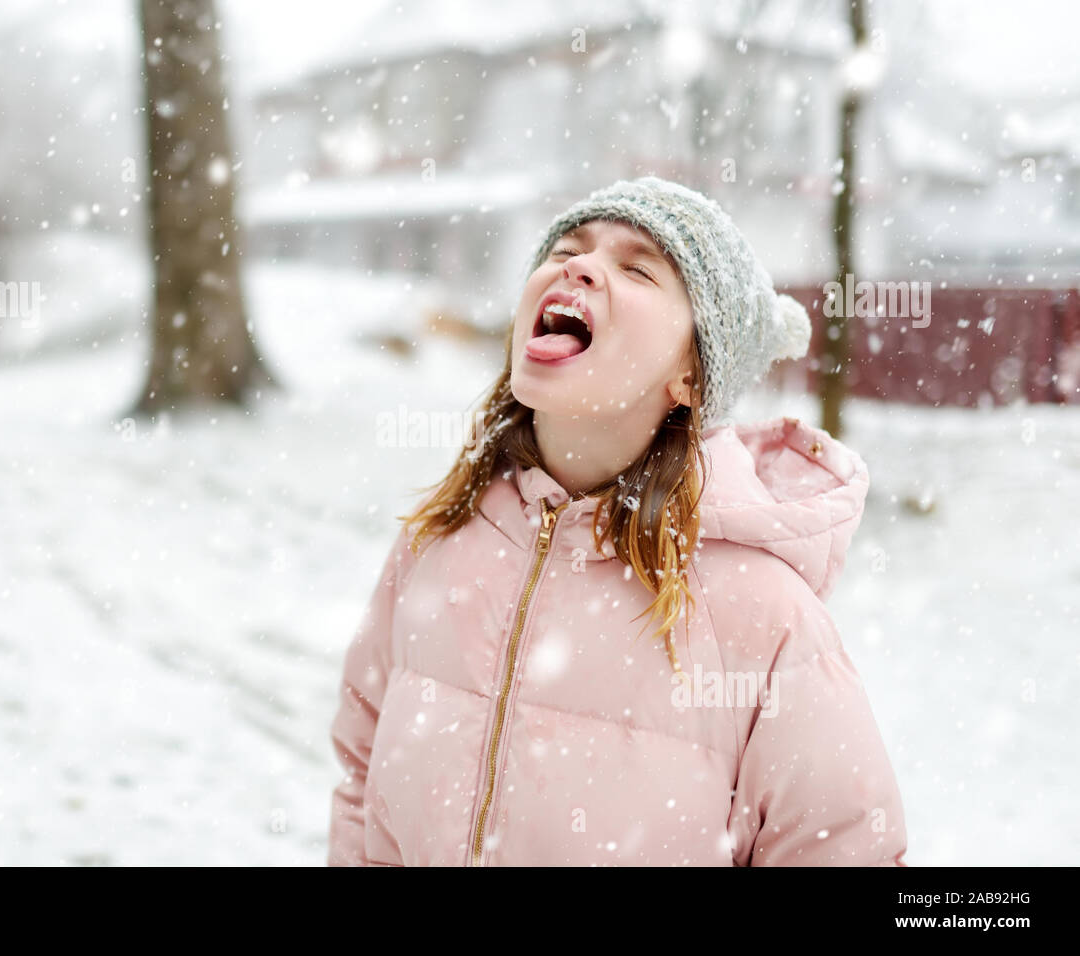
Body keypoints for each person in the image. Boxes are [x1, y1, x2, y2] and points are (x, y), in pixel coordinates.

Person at [326, 175, 908, 866]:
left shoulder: (763, 617)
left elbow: (841, 851)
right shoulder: (438, 544)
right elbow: (363, 782)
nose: (578, 266)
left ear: (691, 376)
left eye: (635, 267)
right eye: (566, 248)